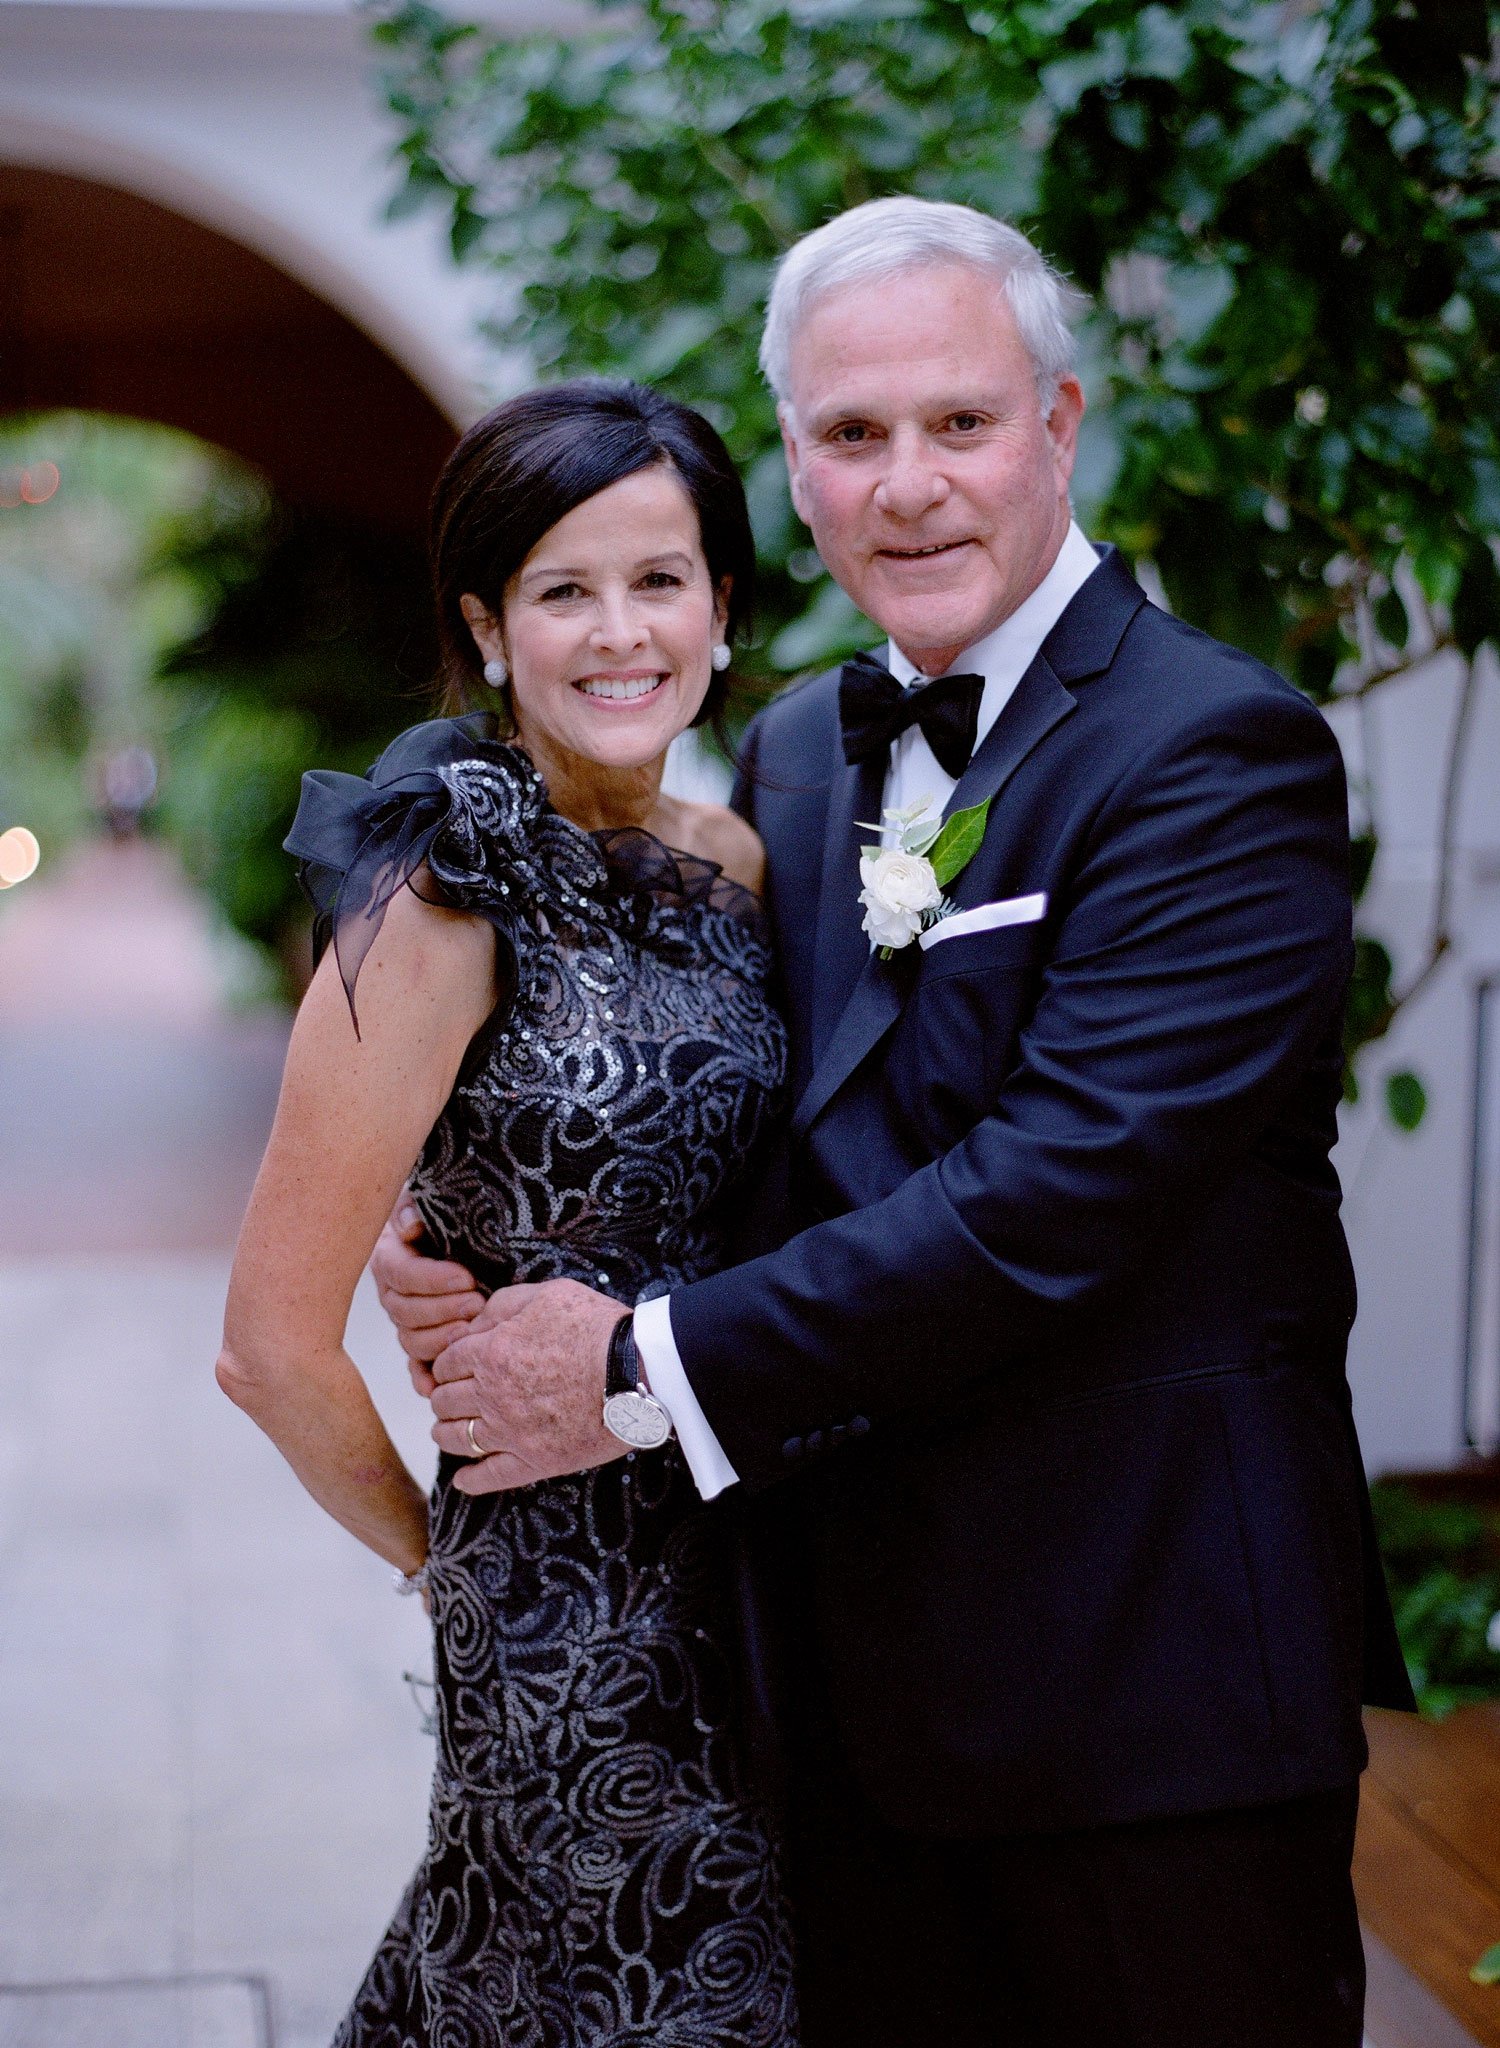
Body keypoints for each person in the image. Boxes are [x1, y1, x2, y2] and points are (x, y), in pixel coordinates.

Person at [375, 198, 1416, 2048]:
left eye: (961, 422)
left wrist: (629, 1367)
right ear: (797, 468)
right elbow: (765, 1122)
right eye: (853, 434)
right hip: (850, 1701)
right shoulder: (794, 753)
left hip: (1149, 1691)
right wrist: (489, 1226)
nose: (910, 485)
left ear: (1059, 427)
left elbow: (1052, 1195)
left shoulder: (1215, 751)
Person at [216, 379, 800, 2048]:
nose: (620, 634)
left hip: (762, 1548)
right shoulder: (439, 893)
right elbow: (267, 1347)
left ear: (720, 606)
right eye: (563, 591)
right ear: (487, 627)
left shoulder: (739, 862)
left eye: (659, 580)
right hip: (568, 1616)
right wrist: (447, 1561)